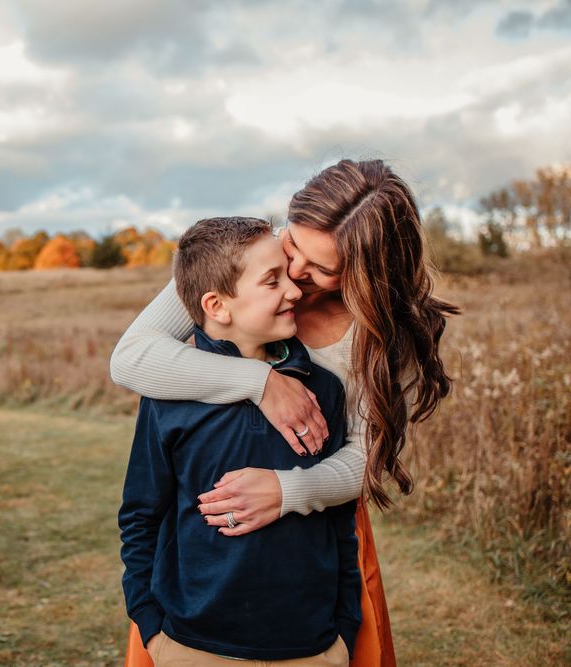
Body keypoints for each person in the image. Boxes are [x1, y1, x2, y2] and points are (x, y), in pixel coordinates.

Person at [113, 159, 459, 667]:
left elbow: (365, 459)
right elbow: (132, 357)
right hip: (199, 586)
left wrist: (287, 491)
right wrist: (260, 382)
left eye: (320, 269)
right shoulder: (248, 258)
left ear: (367, 274)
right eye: (293, 245)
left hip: (309, 552)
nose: (295, 275)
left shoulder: (386, 337)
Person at [120, 216, 360, 666]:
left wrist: (344, 630)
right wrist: (150, 625)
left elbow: (340, 523)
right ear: (217, 305)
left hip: (312, 645)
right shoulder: (169, 396)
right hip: (191, 645)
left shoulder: (324, 391)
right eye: (274, 280)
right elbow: (141, 515)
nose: (294, 291)